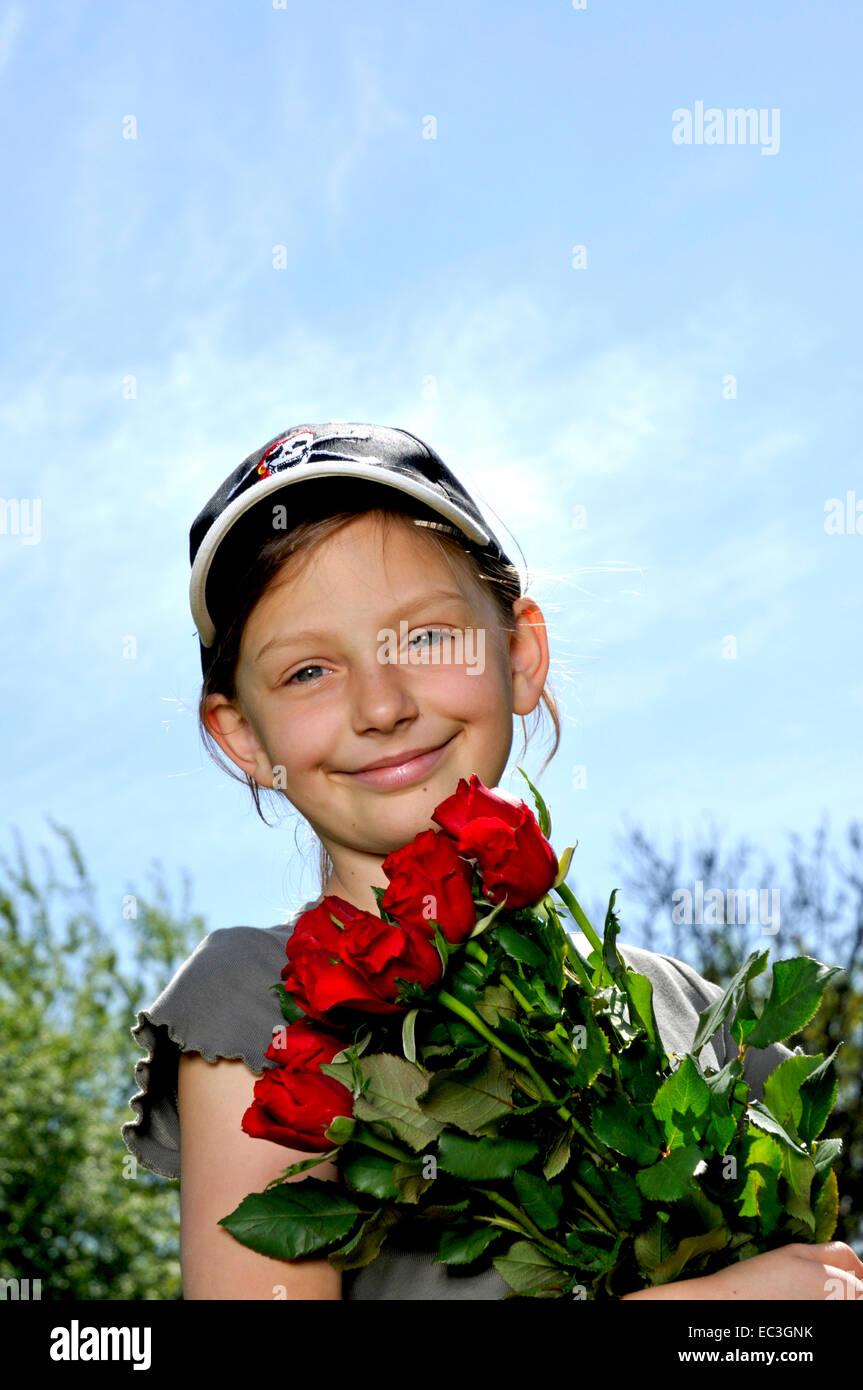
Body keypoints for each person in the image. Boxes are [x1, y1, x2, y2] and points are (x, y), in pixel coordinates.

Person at [122, 422, 862, 1301]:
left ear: (517, 654)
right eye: (309, 670)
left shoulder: (700, 1016)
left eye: (428, 639)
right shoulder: (255, 997)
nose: (382, 704)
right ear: (242, 734)